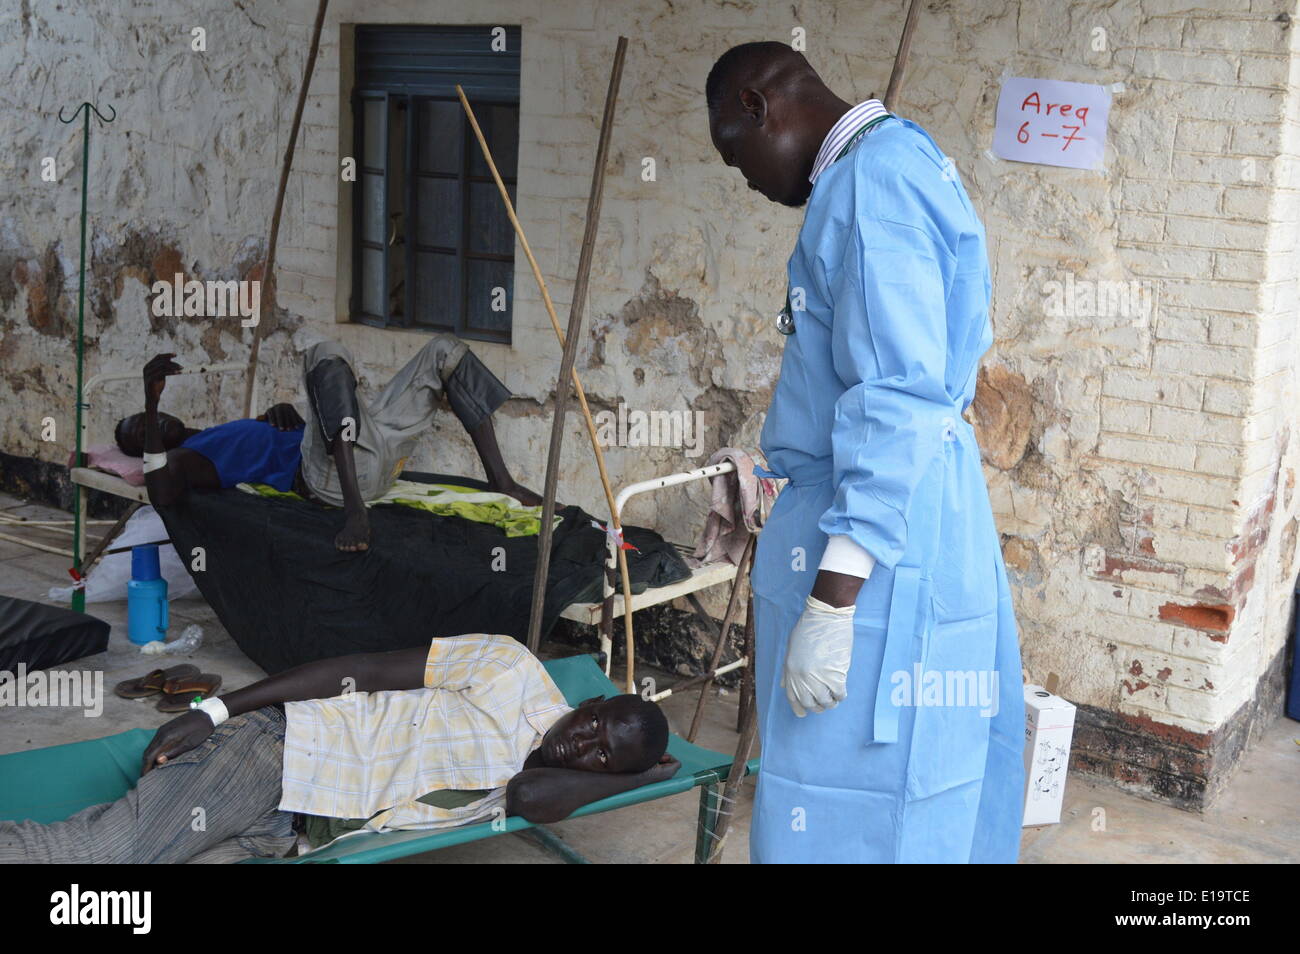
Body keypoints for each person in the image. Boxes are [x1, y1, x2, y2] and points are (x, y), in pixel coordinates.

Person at [705, 42, 1025, 863]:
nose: (745, 180)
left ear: (756, 105)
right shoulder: (901, 158)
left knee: (860, 799)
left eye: (735, 156)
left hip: (879, 551)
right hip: (911, 518)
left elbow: (895, 397)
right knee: (918, 787)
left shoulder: (873, 183)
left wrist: (832, 603)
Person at [0, 634, 677, 863]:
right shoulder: (510, 669)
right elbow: (366, 669)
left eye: (602, 758)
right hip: (279, 756)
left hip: (288, 832)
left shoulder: (548, 783)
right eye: (595, 727)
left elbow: (531, 795)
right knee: (101, 856)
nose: (584, 745)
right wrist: (216, 707)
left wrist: (637, 778)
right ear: (589, 703)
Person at [114, 335, 541, 552]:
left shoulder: (217, 433)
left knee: (446, 351)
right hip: (332, 483)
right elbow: (163, 492)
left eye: (136, 421)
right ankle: (357, 513)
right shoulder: (188, 459)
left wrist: (280, 413)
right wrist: (150, 407)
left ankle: (502, 481)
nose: (145, 425)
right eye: (138, 431)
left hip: (371, 451)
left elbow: (273, 441)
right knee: (324, 351)